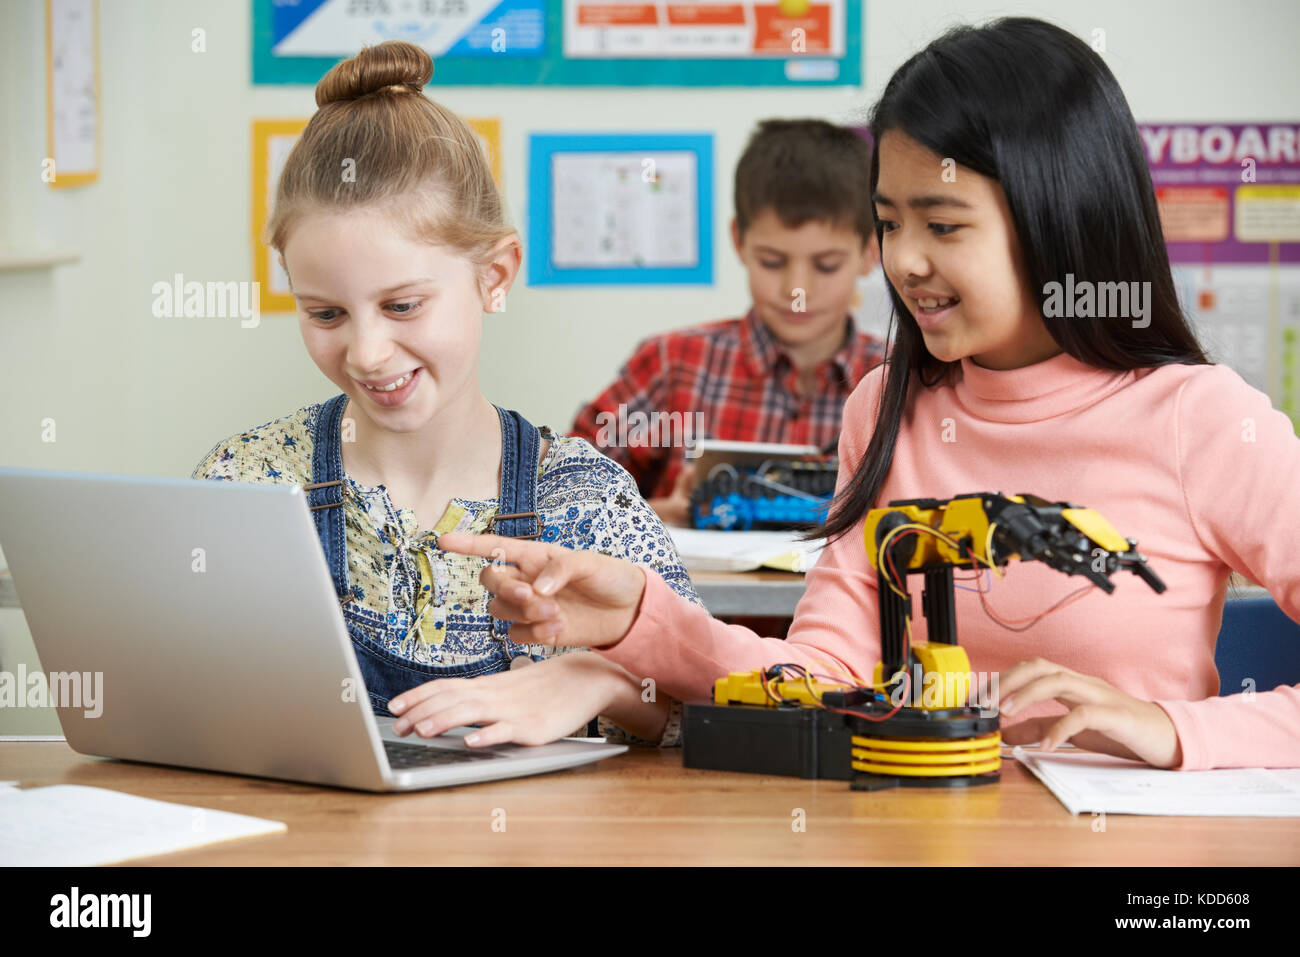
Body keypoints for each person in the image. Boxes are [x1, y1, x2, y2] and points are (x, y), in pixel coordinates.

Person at [433, 17, 1300, 770]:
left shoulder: (1201, 418)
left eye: (944, 225)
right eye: (888, 224)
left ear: (1058, 215)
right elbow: (825, 676)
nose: (904, 262)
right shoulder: (887, 406)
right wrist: (637, 621)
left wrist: (1173, 729)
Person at [190, 40, 702, 748]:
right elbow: (181, 709)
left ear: (495, 275)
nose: (366, 353)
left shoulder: (586, 502)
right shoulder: (246, 484)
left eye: (402, 306)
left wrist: (607, 680)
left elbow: (703, 715)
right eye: (326, 313)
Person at [569, 119, 888, 527]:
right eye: (772, 262)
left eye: (826, 265)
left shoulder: (898, 381)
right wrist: (651, 517)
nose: (797, 290)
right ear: (739, 241)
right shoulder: (672, 364)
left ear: (870, 251)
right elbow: (566, 487)